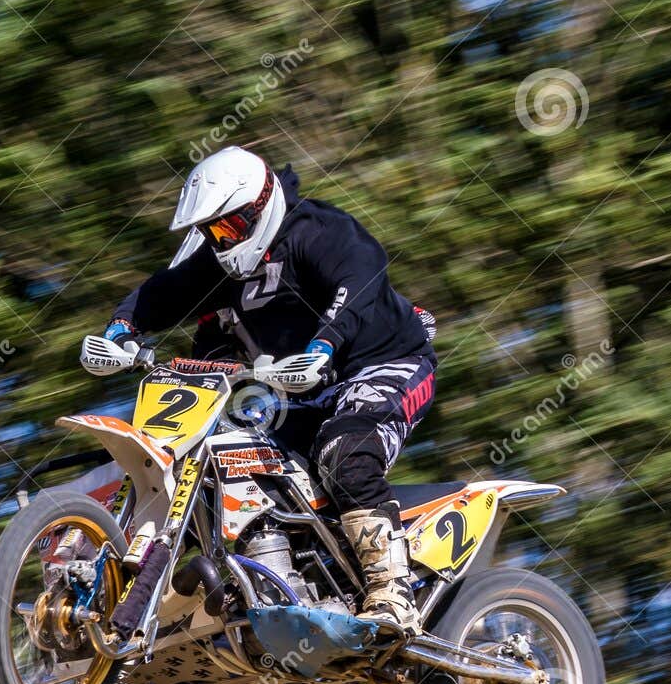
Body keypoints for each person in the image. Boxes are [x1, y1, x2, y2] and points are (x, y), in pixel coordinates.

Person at [94, 145, 436, 631]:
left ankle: (392, 593)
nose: (222, 240)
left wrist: (323, 345)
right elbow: (162, 291)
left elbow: (360, 278)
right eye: (211, 232)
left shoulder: (318, 230)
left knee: (344, 453)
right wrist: (120, 329)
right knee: (225, 461)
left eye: (230, 227)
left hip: (383, 364)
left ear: (261, 205)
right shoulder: (220, 265)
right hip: (299, 390)